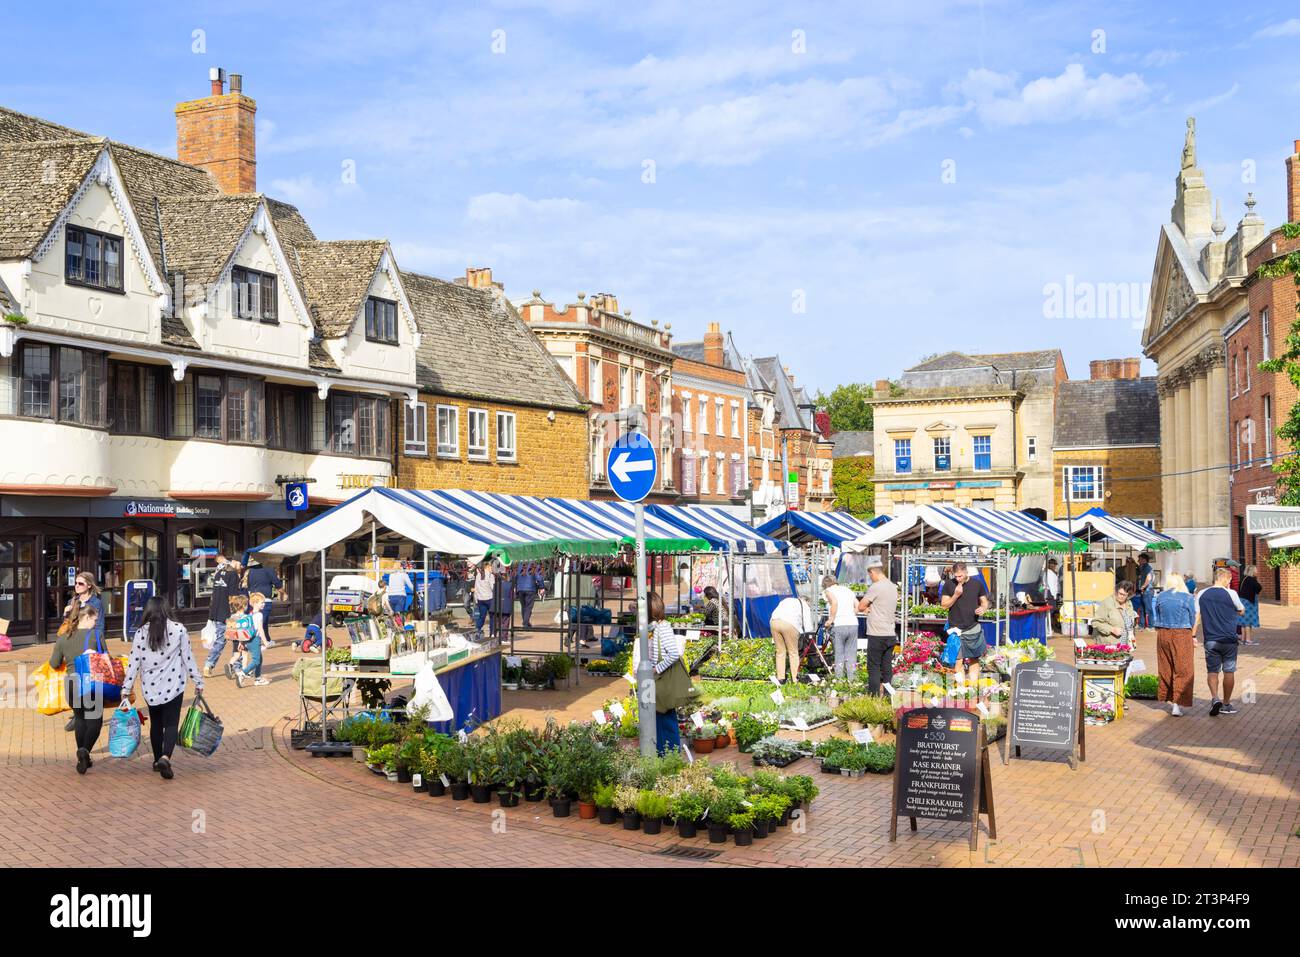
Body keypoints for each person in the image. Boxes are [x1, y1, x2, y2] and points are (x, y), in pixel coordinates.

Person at [118, 597, 203, 778]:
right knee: (171, 723)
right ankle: (166, 756)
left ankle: (157, 760)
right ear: (166, 609)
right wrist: (198, 681)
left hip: (150, 686)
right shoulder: (179, 629)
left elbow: (133, 662)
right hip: (174, 684)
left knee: (156, 724)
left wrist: (126, 688)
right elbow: (188, 658)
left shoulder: (141, 633)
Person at [48, 602, 109, 774]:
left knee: (80, 719)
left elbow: (54, 663)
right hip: (92, 682)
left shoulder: (63, 637)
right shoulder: (96, 635)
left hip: (71, 683)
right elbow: (106, 657)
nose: (96, 623)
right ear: (86, 617)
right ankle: (85, 751)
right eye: (94, 620)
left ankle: (83, 757)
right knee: (95, 721)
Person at [1198, 566, 1244, 716]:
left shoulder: (1202, 593)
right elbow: (1241, 610)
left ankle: (1214, 698)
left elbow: (1196, 613)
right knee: (1229, 670)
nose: (1230, 582)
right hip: (1229, 639)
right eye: (1229, 579)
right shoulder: (1231, 594)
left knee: (1212, 671)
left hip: (1211, 638)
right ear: (1224, 578)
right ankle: (1226, 703)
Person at [1152, 572, 1198, 716]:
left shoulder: (1161, 596)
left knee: (1166, 667)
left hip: (1163, 634)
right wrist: (1193, 636)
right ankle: (1177, 703)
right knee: (1184, 669)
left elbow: (1156, 617)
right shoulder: (1188, 597)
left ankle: (1170, 699)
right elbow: (1192, 618)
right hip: (1182, 633)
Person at [647, 590, 685, 756]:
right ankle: (664, 752)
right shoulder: (657, 628)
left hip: (663, 681)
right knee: (661, 719)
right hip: (659, 680)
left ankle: (669, 754)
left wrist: (657, 668)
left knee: (665, 719)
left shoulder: (663, 628)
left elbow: (674, 654)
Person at [940, 562, 990, 684]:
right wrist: (956, 595)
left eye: (960, 576)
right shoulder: (949, 584)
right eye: (956, 576)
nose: (958, 578)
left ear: (966, 572)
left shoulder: (977, 584)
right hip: (955, 630)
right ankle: (961, 690)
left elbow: (984, 602)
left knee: (974, 659)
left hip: (973, 627)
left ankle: (972, 688)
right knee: (958, 661)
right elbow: (944, 605)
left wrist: (983, 608)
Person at [857, 561, 899, 696]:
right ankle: (888, 696)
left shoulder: (876, 587)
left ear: (873, 573)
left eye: (870, 576)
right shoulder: (893, 587)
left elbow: (861, 606)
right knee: (887, 666)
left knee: (874, 666)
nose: (871, 579)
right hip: (890, 632)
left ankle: (873, 697)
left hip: (877, 633)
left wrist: (869, 608)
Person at [202, 552, 243, 676]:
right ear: (235, 562)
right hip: (229, 613)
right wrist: (236, 613)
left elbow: (214, 595)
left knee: (220, 641)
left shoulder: (218, 573)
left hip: (217, 611)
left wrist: (211, 614)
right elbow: (233, 596)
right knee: (238, 640)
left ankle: (208, 665)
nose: (242, 566)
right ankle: (237, 668)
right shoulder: (233, 574)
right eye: (241, 564)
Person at [769, 590, 814, 684]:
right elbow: (808, 626)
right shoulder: (804, 605)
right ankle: (795, 679)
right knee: (793, 652)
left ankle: (780, 678)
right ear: (807, 602)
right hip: (789, 624)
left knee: (780, 652)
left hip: (774, 621)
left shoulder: (787, 600)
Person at [822, 574, 860, 680]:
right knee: (851, 655)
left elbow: (834, 603)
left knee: (839, 655)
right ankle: (852, 681)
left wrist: (831, 619)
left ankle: (839, 681)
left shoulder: (828, 591)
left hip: (839, 624)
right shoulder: (848, 590)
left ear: (825, 584)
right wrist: (851, 614)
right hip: (852, 623)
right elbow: (858, 606)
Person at [244, 559, 284, 645]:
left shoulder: (250, 571)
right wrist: (284, 593)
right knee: (262, 622)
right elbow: (277, 583)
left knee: (256, 620)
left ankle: (265, 639)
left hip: (253, 599)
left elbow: (247, 585)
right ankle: (262, 641)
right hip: (264, 599)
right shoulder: (268, 569)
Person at [235, 592, 271, 687]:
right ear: (255, 603)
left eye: (264, 602)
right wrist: (265, 641)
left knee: (260, 659)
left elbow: (244, 629)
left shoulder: (250, 614)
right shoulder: (259, 615)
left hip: (248, 640)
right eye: (261, 602)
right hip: (255, 639)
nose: (263, 604)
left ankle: (258, 679)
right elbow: (260, 629)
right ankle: (242, 673)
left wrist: (241, 642)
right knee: (256, 660)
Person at [223, 594, 256, 681]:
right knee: (245, 654)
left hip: (234, 638)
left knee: (236, 654)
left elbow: (230, 628)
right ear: (244, 606)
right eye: (247, 604)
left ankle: (230, 664)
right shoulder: (245, 617)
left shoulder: (232, 616)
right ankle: (245, 671)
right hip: (243, 638)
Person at [1238, 565, 1262, 645]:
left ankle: (1243, 639)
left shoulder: (1243, 578)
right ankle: (1248, 640)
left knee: (1243, 621)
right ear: (1253, 571)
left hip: (1241, 601)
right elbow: (1259, 587)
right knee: (1248, 621)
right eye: (1256, 571)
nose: (1257, 572)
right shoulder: (1252, 580)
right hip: (1249, 602)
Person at [472, 564, 495, 633]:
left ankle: (477, 630)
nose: (492, 568)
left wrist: (476, 599)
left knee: (482, 617)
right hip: (489, 598)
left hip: (480, 599)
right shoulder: (491, 576)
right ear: (487, 567)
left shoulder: (478, 575)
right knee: (492, 617)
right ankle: (492, 633)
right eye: (491, 566)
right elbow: (493, 588)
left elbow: (476, 588)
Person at [1135, 553, 1155, 630]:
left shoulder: (1147, 567)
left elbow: (1149, 578)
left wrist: (1143, 586)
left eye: (1139, 559)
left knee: (1148, 609)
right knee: (1142, 608)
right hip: (1143, 591)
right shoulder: (1142, 568)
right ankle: (1141, 625)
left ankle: (1151, 626)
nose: (1138, 561)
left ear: (1143, 560)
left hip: (1147, 591)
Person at [516, 562, 537, 629]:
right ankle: (525, 623)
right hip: (530, 588)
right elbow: (538, 576)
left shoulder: (519, 564)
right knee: (528, 607)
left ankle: (526, 622)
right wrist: (541, 586)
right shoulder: (533, 564)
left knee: (524, 606)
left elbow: (515, 576)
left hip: (520, 589)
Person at [1043, 558, 1062, 632]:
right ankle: (1048, 627)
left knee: (1051, 611)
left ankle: (1049, 626)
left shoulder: (1050, 572)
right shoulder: (1049, 573)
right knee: (1050, 610)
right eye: (1055, 565)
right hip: (1050, 593)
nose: (1055, 566)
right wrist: (1054, 595)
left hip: (1051, 592)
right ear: (1052, 565)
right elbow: (1051, 585)